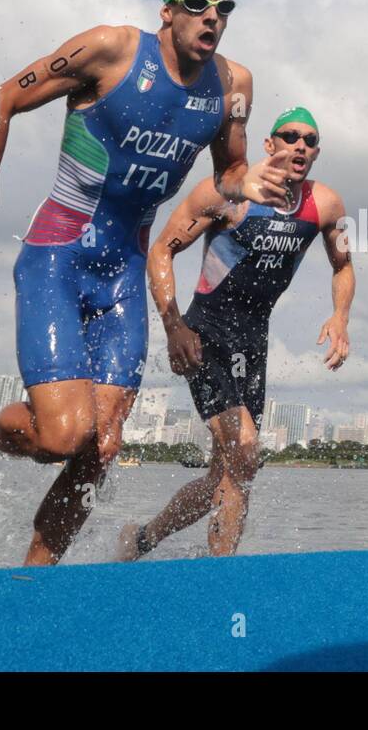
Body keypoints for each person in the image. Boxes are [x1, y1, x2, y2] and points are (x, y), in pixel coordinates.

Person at [0, 0, 293, 565]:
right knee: (65, 435)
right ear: (167, 10)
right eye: (197, 3)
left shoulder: (233, 87)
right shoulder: (109, 50)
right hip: (58, 256)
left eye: (225, 8)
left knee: (105, 446)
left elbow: (230, 169)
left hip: (122, 271)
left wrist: (241, 186)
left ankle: (35, 585)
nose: (212, 17)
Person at [117, 106, 353, 560]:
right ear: (270, 145)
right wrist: (174, 328)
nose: (299, 145)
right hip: (204, 335)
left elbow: (343, 265)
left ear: (316, 152)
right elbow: (161, 251)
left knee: (229, 472)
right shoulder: (227, 194)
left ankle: (142, 538)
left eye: (309, 140)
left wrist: (340, 316)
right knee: (245, 449)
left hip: (253, 343)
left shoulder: (327, 205)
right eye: (289, 136)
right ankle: (219, 577)